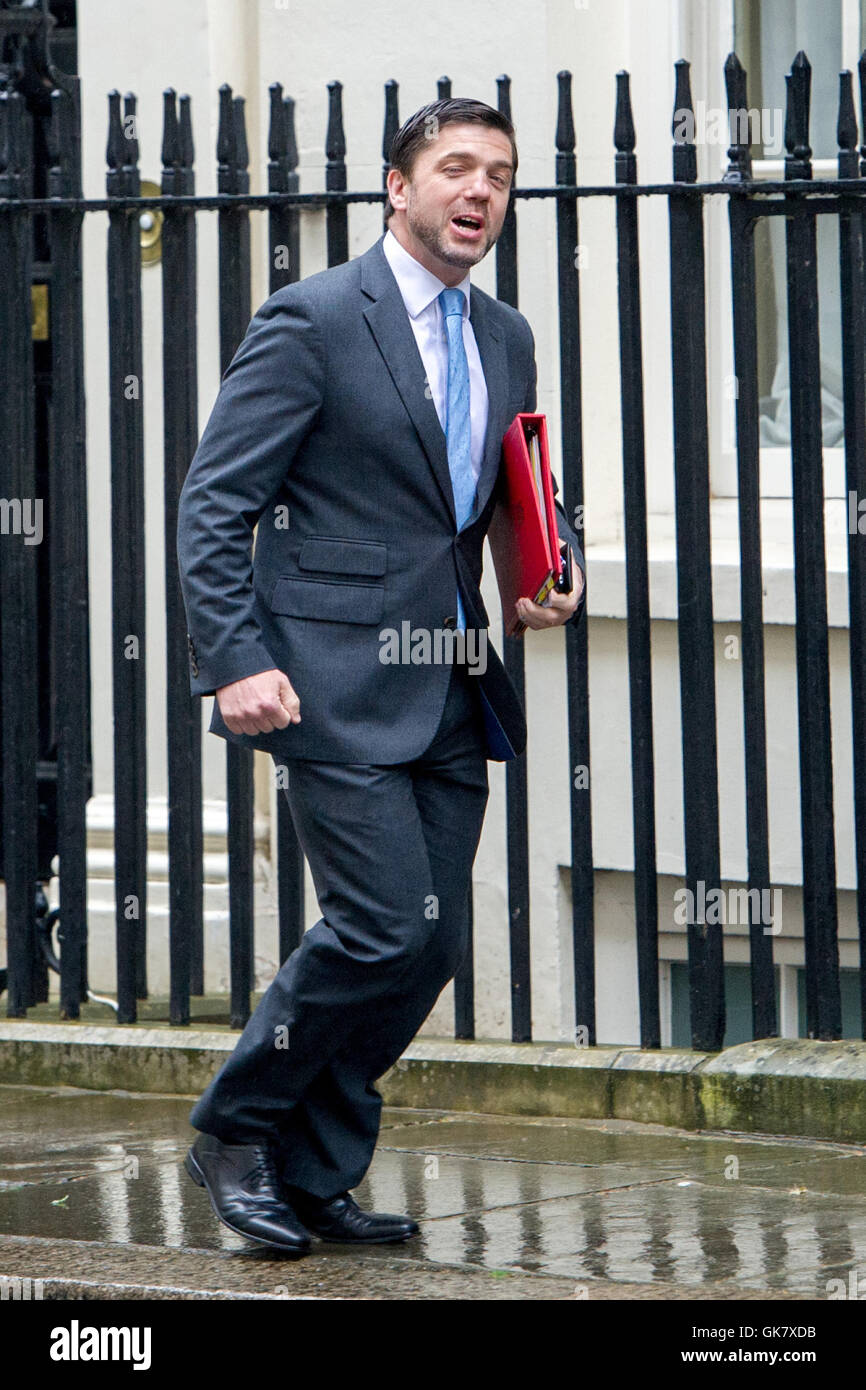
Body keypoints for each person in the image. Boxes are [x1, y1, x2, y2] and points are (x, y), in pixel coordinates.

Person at [176, 96, 586, 1255]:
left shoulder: (504, 333)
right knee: (374, 929)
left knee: (430, 940)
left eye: (498, 176)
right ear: (396, 188)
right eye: (455, 168)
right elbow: (216, 503)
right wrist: (234, 661)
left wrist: (554, 573)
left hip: (454, 672)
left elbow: (516, 492)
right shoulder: (311, 319)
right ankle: (235, 1129)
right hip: (328, 679)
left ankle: (313, 1173)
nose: (479, 191)